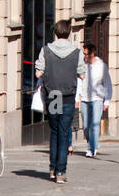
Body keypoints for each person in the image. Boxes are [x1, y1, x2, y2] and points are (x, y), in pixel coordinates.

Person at [36, 20, 84, 184]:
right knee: (64, 133)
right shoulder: (77, 52)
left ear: (55, 33)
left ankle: (52, 169)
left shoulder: (46, 50)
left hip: (53, 95)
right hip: (68, 96)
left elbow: (38, 73)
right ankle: (61, 173)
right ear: (69, 33)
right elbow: (82, 74)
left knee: (55, 132)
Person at [77, 42, 112, 157]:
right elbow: (78, 81)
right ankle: (93, 142)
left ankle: (91, 149)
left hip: (97, 98)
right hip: (84, 99)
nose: (84, 56)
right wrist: (77, 98)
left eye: (86, 54)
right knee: (86, 126)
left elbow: (107, 83)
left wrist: (107, 100)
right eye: (83, 54)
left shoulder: (101, 66)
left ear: (92, 54)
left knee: (94, 124)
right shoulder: (82, 65)